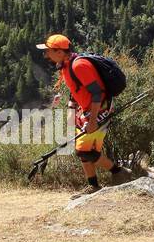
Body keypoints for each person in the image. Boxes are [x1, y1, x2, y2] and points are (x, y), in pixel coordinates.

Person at [37, 34, 131, 193]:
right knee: (85, 152)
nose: (46, 54)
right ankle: (93, 186)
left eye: (48, 51)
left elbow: (97, 93)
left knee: (84, 151)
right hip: (86, 110)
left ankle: (119, 172)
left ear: (59, 52)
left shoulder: (79, 65)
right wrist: (71, 110)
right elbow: (76, 90)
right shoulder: (66, 66)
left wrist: (93, 120)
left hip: (100, 109)